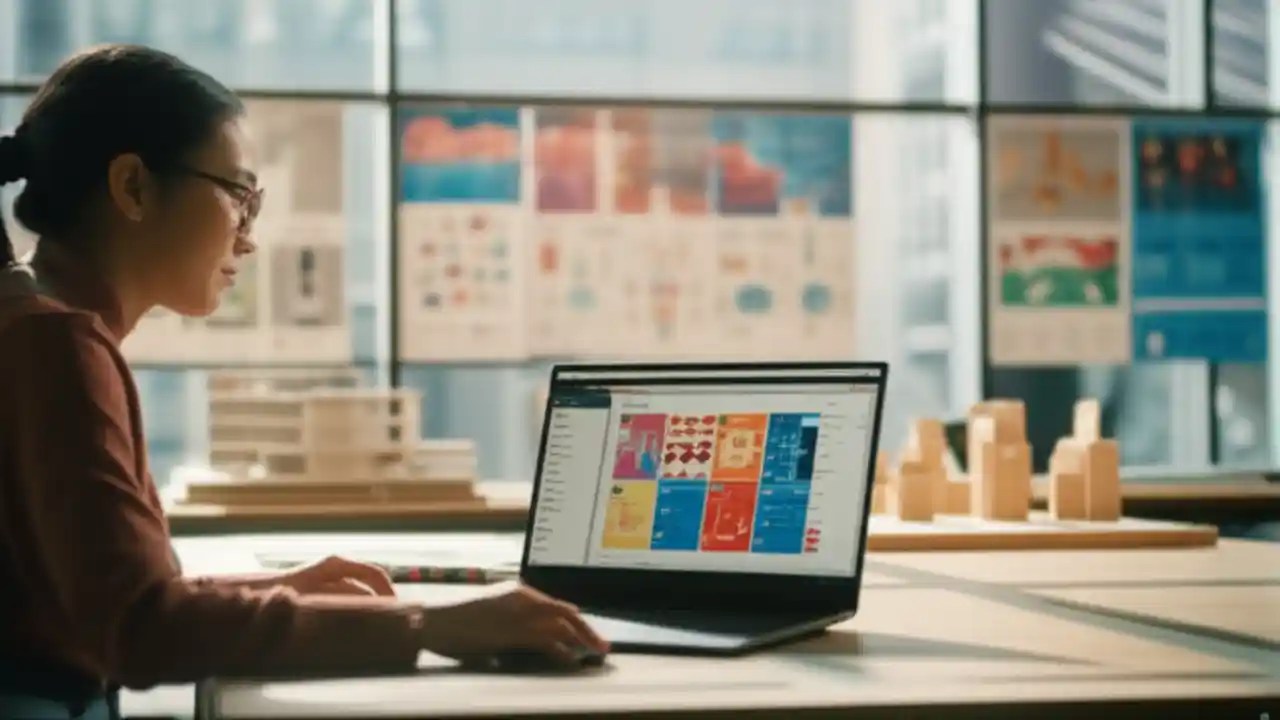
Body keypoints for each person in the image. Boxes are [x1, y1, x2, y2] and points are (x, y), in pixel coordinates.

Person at [0, 44, 607, 719]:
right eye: (239, 196)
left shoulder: (32, 321)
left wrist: (275, 590)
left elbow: (98, 594)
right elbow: (142, 628)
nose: (249, 237)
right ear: (133, 187)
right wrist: (432, 628)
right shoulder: (57, 346)